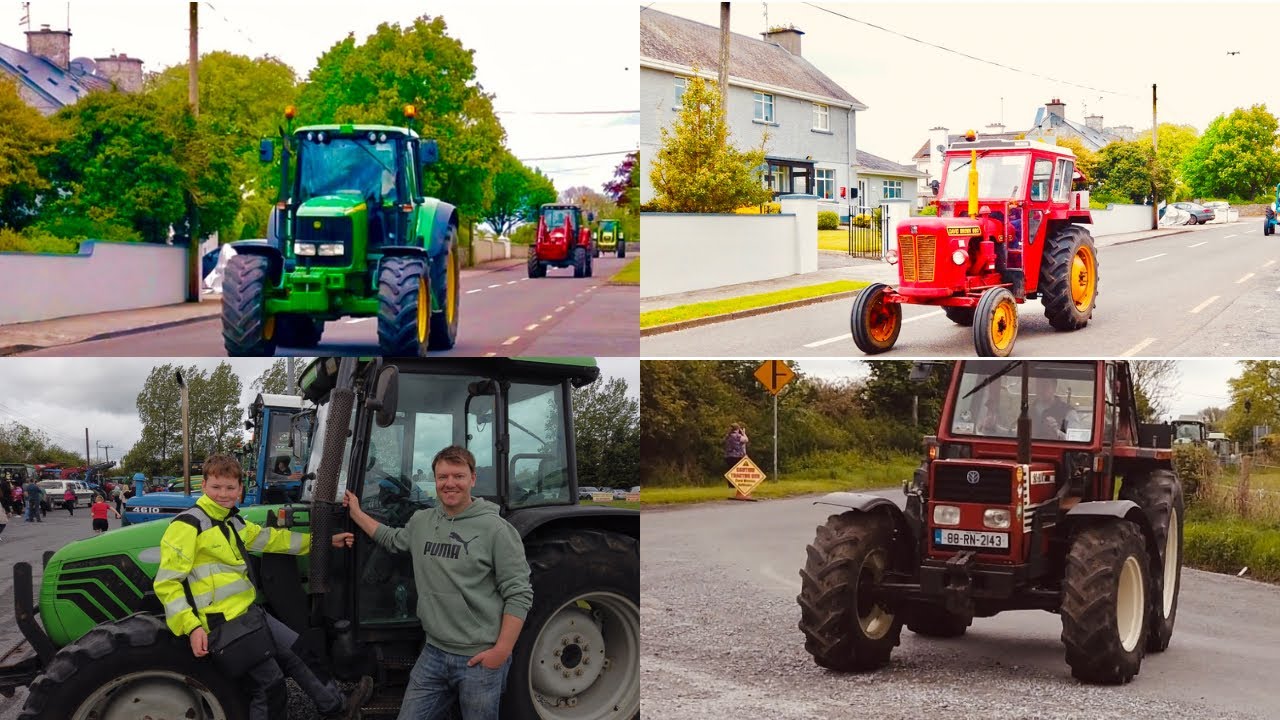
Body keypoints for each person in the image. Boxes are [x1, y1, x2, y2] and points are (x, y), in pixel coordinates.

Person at [154, 454, 372, 720]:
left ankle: (336, 707)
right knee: (270, 686)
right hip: (223, 623)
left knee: (299, 651)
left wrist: (323, 542)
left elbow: (270, 539)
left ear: (240, 489)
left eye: (230, 487)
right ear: (204, 487)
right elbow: (168, 583)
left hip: (250, 612)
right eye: (216, 487)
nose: (223, 494)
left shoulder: (232, 521)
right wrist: (192, 627)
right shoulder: (188, 526)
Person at [343, 445, 533, 720]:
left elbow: (519, 593)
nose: (450, 483)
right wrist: (357, 513)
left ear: (472, 479)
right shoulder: (422, 521)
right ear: (435, 480)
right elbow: (392, 539)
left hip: (478, 659)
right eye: (443, 477)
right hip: (433, 653)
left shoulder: (496, 530)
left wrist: (501, 652)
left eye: (458, 476)